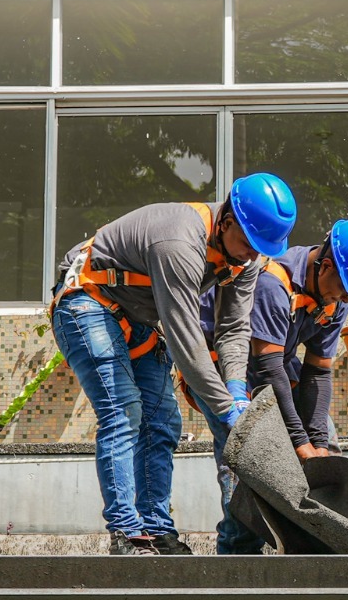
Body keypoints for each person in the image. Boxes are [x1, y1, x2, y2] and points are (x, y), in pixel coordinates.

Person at [49, 174, 297, 556]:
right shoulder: (178, 241)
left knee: (163, 422)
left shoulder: (247, 257)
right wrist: (224, 409)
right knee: (124, 410)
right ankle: (127, 534)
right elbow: (185, 339)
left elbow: (233, 329)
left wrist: (236, 389)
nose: (251, 256)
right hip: (87, 301)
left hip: (138, 319)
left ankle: (156, 531)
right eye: (247, 244)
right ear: (227, 219)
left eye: (260, 249)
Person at [198, 218, 348, 555]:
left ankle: (323, 543)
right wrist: (301, 444)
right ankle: (236, 556)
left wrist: (318, 445)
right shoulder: (275, 284)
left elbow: (317, 372)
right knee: (245, 460)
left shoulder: (335, 300)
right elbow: (268, 369)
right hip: (229, 368)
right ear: (325, 265)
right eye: (345, 287)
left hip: (275, 364)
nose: (347, 298)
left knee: (327, 443)